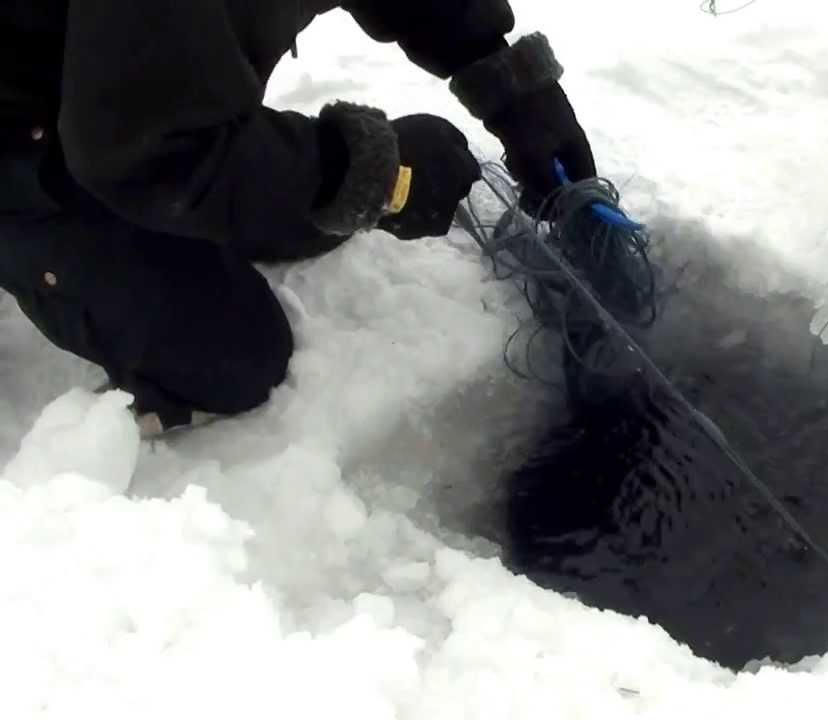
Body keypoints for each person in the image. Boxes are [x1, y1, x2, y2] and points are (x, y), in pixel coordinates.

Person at [0, 1, 596, 435]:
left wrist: (508, 83)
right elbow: (142, 150)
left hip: (130, 95)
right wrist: (382, 176)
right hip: (33, 143)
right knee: (229, 354)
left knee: (305, 202)